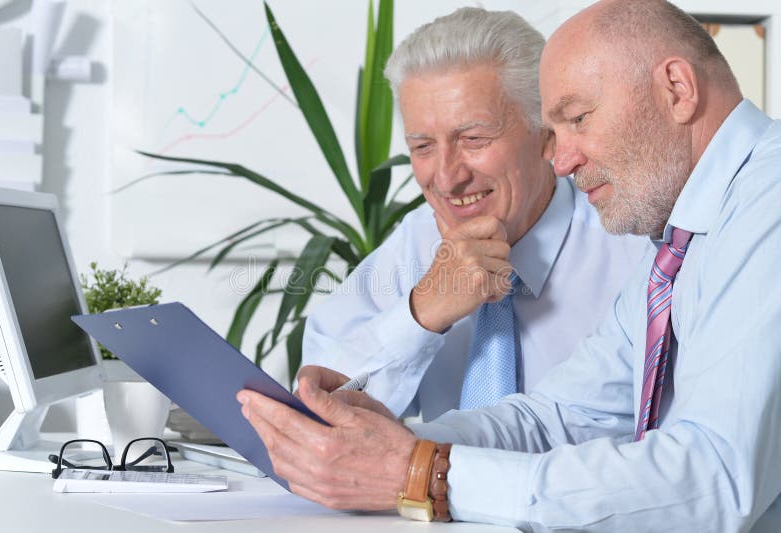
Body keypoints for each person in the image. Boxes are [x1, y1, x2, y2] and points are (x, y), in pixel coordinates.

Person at [237, 0, 781, 530]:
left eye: (578, 118)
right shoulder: (685, 236)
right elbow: (563, 415)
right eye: (422, 145)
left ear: (677, 90)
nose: (564, 158)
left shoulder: (766, 201)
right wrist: (401, 448)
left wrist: (424, 472)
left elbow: (715, 478)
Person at [301, 7, 650, 420]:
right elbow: (311, 409)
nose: (447, 179)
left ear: (547, 136)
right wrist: (420, 314)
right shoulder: (414, 242)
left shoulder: (638, 252)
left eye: (473, 138)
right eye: (423, 147)